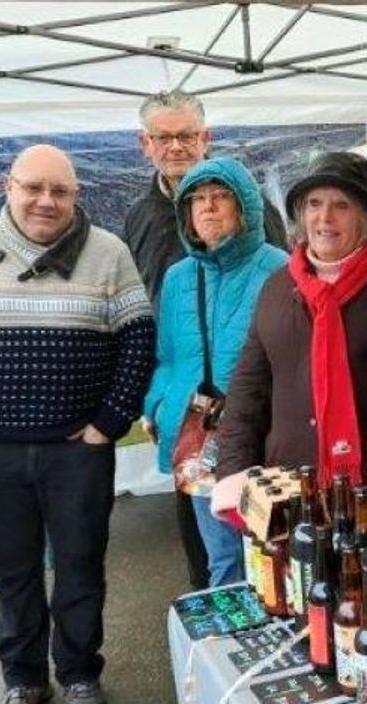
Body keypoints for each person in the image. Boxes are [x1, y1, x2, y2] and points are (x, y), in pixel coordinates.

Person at [0, 145, 154, 704]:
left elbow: (138, 339)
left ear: (75, 196)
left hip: (76, 451)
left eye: (60, 191)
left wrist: (108, 423)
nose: (46, 201)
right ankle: (22, 681)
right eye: (34, 188)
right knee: (12, 574)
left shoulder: (110, 255)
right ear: (8, 186)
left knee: (81, 567)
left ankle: (80, 672)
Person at [212, 151, 367, 502]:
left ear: (366, 216)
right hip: (292, 494)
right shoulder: (277, 287)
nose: (324, 217)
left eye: (341, 205)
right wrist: (235, 477)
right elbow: (247, 393)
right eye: (313, 203)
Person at [124, 89, 288, 593]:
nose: (176, 146)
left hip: (258, 426)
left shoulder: (275, 264)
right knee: (213, 553)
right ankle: (221, 643)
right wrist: (158, 402)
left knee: (270, 548)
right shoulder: (150, 232)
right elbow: (161, 341)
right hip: (193, 427)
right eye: (164, 137)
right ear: (145, 144)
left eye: (187, 135)